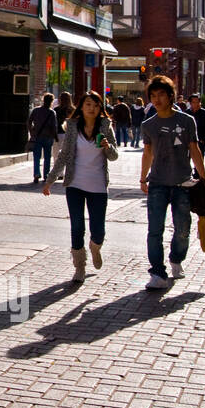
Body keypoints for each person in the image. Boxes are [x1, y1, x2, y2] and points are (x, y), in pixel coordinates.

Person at [140, 75, 205, 290]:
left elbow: (194, 150)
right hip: (158, 183)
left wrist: (203, 178)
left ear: (171, 96)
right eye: (153, 96)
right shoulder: (148, 125)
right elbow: (148, 152)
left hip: (182, 183)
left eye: (161, 94)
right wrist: (143, 178)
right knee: (155, 230)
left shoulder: (187, 121)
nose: (157, 99)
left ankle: (176, 259)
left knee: (182, 228)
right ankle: (157, 273)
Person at [42, 91, 118, 282]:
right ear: (81, 107)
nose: (92, 109)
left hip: (98, 185)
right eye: (88, 105)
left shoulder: (105, 126)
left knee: (98, 229)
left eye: (95, 105)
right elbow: (64, 155)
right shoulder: (73, 127)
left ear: (100, 108)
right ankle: (80, 267)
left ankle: (95, 247)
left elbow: (114, 156)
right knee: (77, 226)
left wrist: (108, 147)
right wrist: (50, 180)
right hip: (75, 184)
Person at [28, 93, 60, 184]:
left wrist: (31, 131)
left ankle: (36, 174)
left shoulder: (36, 110)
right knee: (47, 157)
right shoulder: (52, 112)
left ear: (43, 100)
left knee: (37, 157)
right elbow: (54, 127)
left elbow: (29, 121)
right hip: (48, 137)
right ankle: (46, 175)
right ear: (51, 101)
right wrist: (56, 137)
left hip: (37, 137)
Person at [187, 94, 205, 182]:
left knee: (199, 161)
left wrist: (204, 139)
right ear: (190, 103)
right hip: (187, 143)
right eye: (194, 102)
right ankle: (187, 177)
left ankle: (198, 179)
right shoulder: (186, 114)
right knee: (186, 161)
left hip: (200, 142)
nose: (196, 104)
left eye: (198, 102)